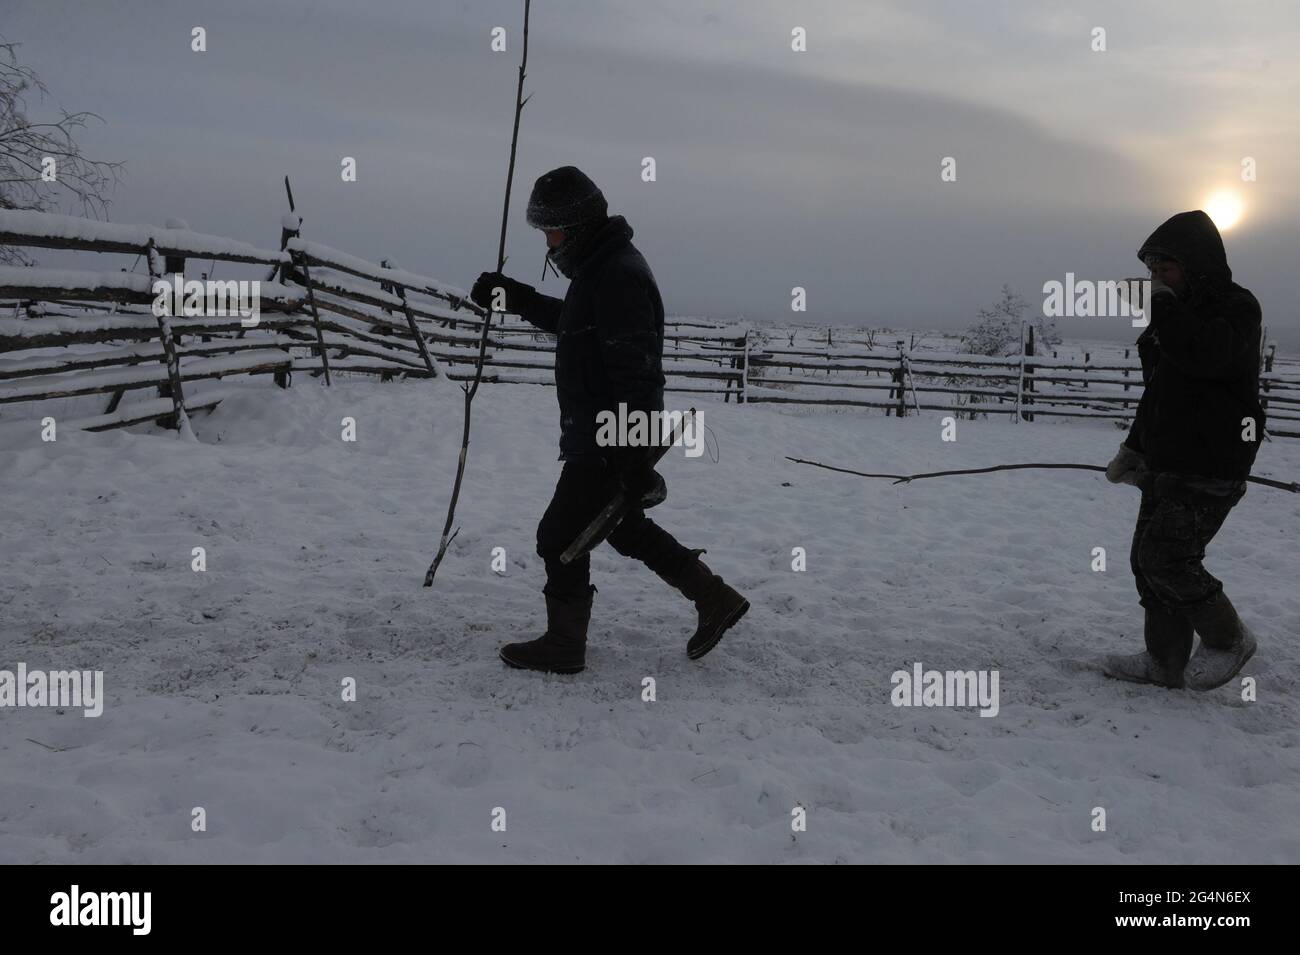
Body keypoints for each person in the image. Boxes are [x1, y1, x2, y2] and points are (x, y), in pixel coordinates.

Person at [470, 166, 749, 674]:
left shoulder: (617, 274)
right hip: (604, 435)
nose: (548, 244)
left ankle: (564, 644)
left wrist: (629, 457)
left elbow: (635, 372)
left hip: (607, 437)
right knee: (619, 526)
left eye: (551, 231)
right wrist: (513, 297)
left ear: (574, 226)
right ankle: (714, 597)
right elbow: (575, 323)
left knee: (559, 538)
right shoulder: (602, 269)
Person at [1103, 210, 1264, 690]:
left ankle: (1227, 639)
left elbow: (1203, 357)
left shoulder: (1235, 308)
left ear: (1195, 264)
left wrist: (1164, 308)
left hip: (1213, 459)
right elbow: (1161, 390)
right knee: (1146, 562)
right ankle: (1165, 662)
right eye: (1151, 269)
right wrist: (1135, 448)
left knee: (1167, 559)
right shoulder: (1168, 316)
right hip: (1166, 458)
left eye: (1165, 268)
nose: (1156, 279)